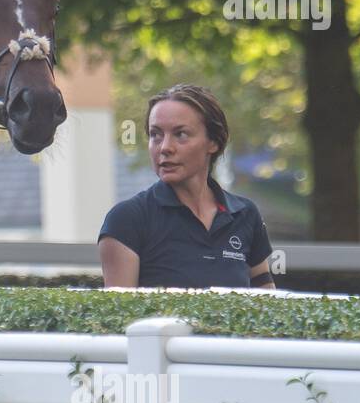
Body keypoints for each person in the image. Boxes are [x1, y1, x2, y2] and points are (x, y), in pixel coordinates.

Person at [98, 84, 276, 289]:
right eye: (156, 134)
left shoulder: (245, 214)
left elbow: (267, 306)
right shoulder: (126, 219)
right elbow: (120, 316)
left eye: (180, 134)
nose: (165, 148)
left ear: (213, 142)